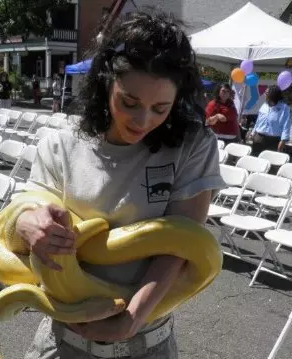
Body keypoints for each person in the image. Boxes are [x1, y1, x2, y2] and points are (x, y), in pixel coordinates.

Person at [17, 10, 225, 359]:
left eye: (161, 108)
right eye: (129, 102)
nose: (143, 120)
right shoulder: (60, 145)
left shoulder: (194, 145)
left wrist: (132, 317)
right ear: (105, 82)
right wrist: (25, 222)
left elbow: (181, 243)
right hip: (62, 342)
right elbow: (29, 205)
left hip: (146, 343)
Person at [251, 85, 291, 155]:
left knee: (269, 161)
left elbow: (286, 126)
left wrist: (283, 140)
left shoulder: (284, 108)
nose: (264, 94)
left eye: (266, 93)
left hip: (273, 140)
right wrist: (253, 133)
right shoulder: (264, 105)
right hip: (258, 138)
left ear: (273, 94)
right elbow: (258, 121)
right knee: (255, 159)